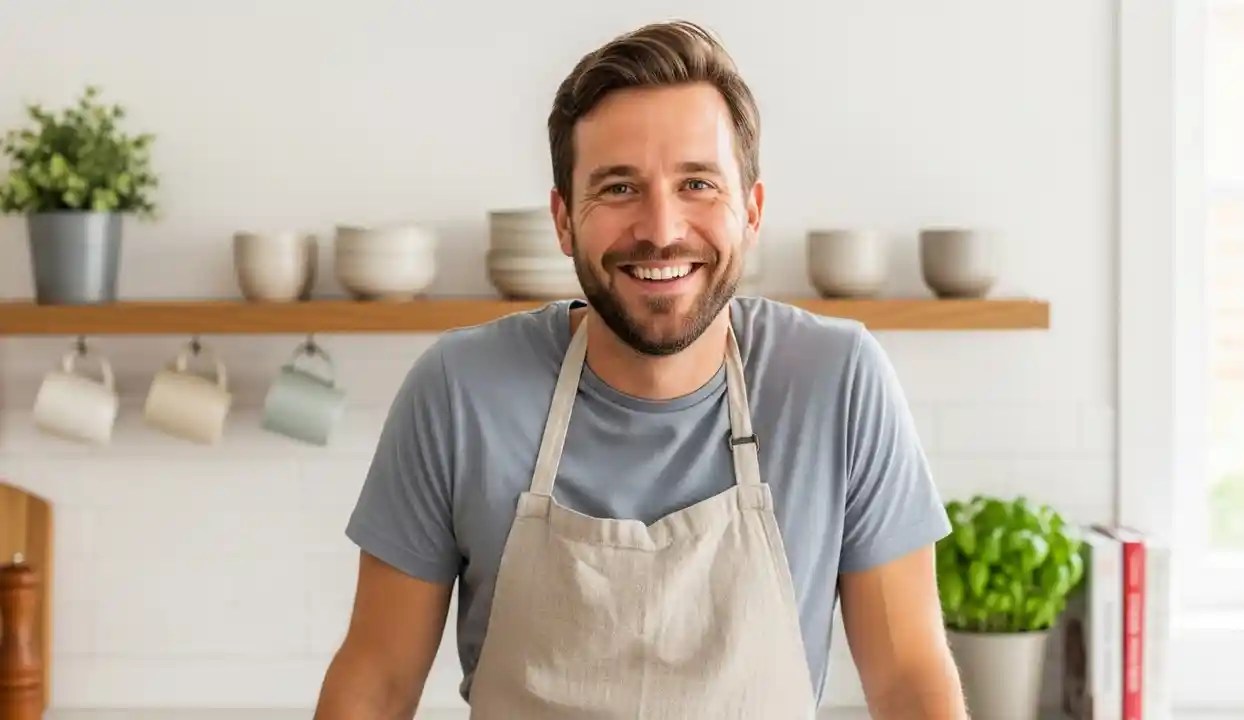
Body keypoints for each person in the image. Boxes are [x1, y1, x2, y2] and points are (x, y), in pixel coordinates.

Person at [315, 19, 966, 720]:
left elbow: (907, 681)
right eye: (619, 188)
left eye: (697, 184)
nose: (660, 228)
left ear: (751, 210)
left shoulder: (836, 384)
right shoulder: (458, 392)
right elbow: (377, 683)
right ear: (563, 221)